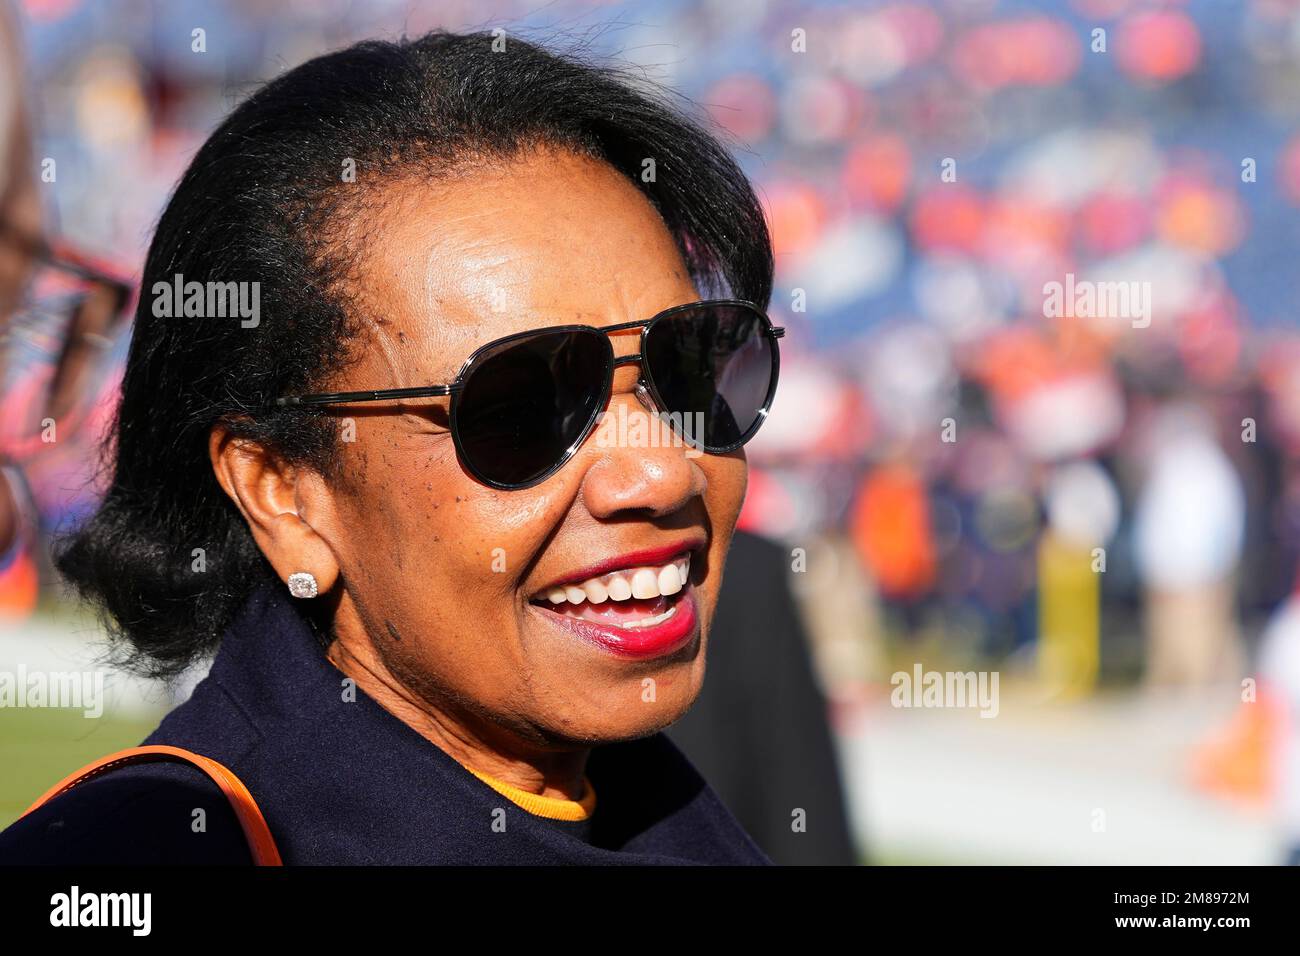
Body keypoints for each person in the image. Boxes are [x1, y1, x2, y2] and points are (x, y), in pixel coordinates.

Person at [0, 30, 782, 864]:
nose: (663, 469)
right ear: (284, 494)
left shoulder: (683, 819)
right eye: (522, 405)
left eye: (690, 365)